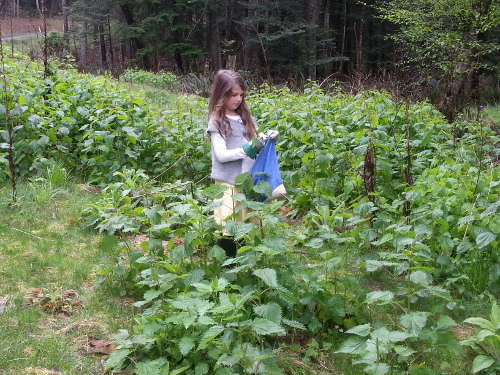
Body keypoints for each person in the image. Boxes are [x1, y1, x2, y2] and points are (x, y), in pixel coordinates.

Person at [206, 69, 278, 257]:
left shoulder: (246, 117)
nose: (238, 99)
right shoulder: (217, 121)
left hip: (247, 180)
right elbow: (221, 155)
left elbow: (254, 145)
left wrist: (265, 141)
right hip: (228, 183)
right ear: (221, 95)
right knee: (229, 225)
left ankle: (245, 266)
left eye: (241, 95)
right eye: (233, 95)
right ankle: (228, 268)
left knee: (246, 224)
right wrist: (245, 149)